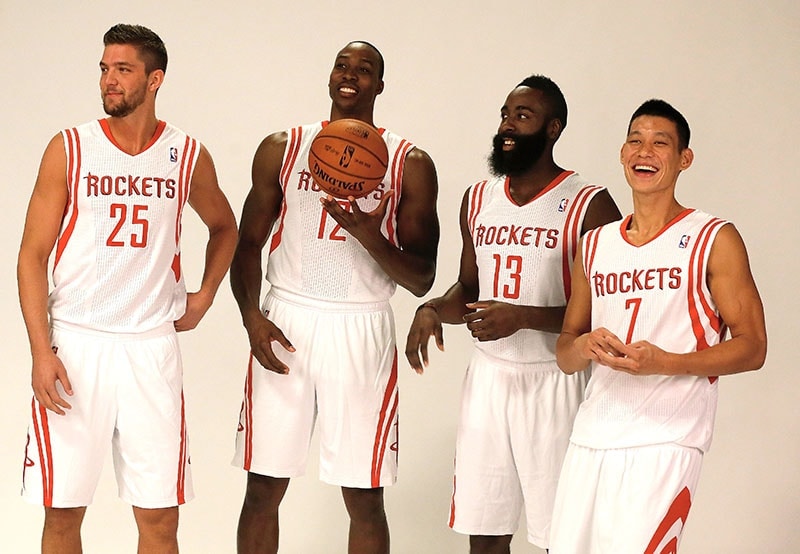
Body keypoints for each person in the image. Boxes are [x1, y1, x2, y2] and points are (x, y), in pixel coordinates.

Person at [17, 24, 238, 554]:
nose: (108, 81)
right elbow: (31, 254)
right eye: (103, 69)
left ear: (155, 78)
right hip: (76, 345)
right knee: (63, 513)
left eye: (123, 70)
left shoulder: (186, 154)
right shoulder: (70, 148)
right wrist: (40, 351)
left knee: (160, 519)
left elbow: (225, 227)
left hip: (150, 349)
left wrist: (205, 294)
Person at [231, 41, 439, 554]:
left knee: (365, 496)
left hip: (360, 325)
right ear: (329, 77)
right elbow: (248, 243)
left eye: (364, 70)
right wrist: (252, 319)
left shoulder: (409, 163)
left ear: (380, 86)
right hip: (288, 319)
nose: (350, 76)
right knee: (262, 488)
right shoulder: (284, 146)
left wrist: (369, 234)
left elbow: (422, 278)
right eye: (342, 66)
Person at [405, 75, 621, 553]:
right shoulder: (478, 198)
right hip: (489, 380)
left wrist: (523, 316)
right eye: (505, 114)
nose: (506, 126)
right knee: (485, 535)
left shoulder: (589, 203)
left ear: (553, 128)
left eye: (522, 117)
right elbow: (470, 289)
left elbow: (608, 310)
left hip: (557, 380)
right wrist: (433, 309)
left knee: (559, 538)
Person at [549, 99, 767, 552]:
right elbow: (566, 354)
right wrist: (585, 344)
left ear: (684, 159)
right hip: (590, 438)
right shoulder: (594, 245)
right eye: (635, 141)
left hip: (664, 439)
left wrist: (665, 362)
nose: (644, 151)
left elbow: (753, 347)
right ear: (622, 153)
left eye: (659, 143)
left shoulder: (713, 237)